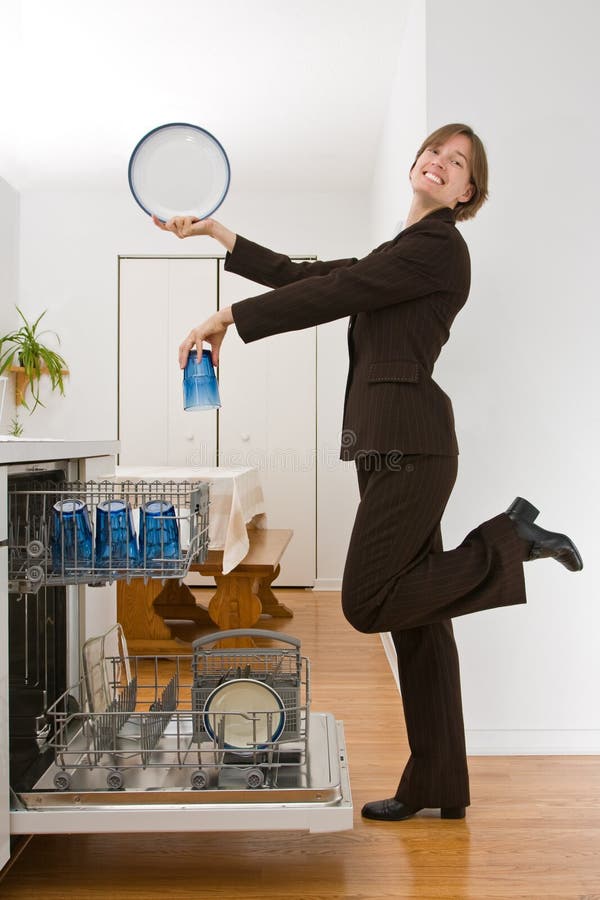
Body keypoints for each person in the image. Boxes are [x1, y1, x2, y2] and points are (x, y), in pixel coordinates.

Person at [152, 123, 583, 822]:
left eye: (458, 162)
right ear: (417, 163)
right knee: (421, 616)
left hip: (412, 447)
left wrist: (229, 315)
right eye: (435, 152)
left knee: (367, 600)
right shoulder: (404, 252)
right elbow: (316, 277)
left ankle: (512, 540)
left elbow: (336, 290)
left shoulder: (440, 246)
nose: (440, 163)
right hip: (392, 445)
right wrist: (222, 235)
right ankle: (437, 782)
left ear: (469, 191)